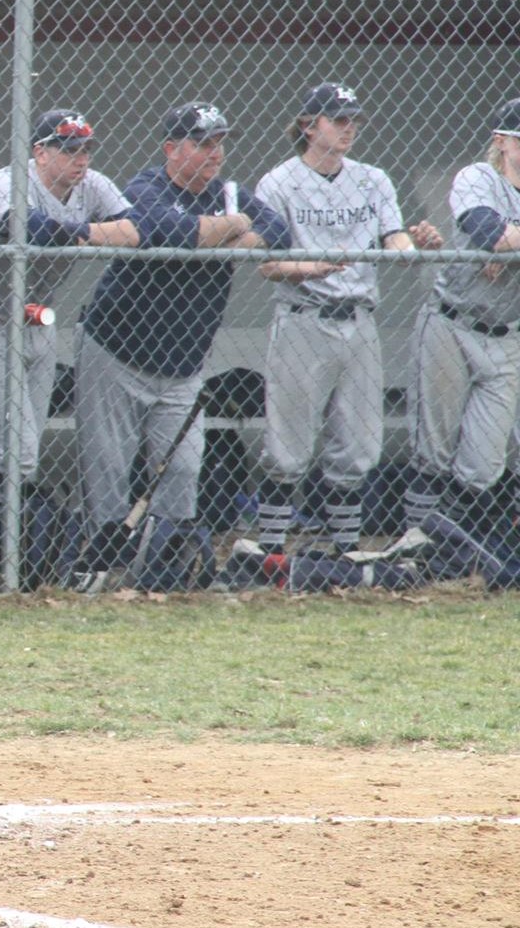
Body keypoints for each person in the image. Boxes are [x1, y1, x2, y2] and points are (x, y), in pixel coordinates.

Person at [74, 103, 290, 591]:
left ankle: (161, 575)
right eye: (202, 142)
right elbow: (170, 230)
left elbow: (277, 230)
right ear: (173, 149)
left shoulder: (231, 192)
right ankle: (100, 577)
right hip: (116, 352)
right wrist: (231, 227)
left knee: (184, 469)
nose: (215, 152)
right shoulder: (146, 186)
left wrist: (224, 234)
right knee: (108, 470)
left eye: (219, 142)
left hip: (183, 365)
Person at [239, 83, 441, 564]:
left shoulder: (372, 179)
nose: (349, 128)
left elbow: (394, 239)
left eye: (353, 119)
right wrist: (310, 268)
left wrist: (419, 248)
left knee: (356, 446)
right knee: (287, 447)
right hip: (303, 317)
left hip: (357, 319)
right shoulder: (279, 181)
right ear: (310, 126)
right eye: (338, 119)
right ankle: (271, 550)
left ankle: (346, 551)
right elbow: (267, 265)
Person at [0, 110, 142, 588]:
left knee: (16, 452)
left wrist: (79, 232)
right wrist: (87, 233)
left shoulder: (93, 185)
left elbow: (135, 232)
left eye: (85, 149)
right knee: (19, 452)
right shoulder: (9, 178)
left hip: (38, 323)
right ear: (40, 152)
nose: (81, 158)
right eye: (68, 148)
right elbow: (22, 224)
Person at [377, 99, 520, 561]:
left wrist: (509, 245)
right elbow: (488, 233)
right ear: (501, 142)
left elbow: (506, 243)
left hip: (506, 334)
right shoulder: (478, 177)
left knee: (483, 465)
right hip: (451, 322)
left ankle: (452, 551)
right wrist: (504, 245)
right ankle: (413, 552)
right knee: (433, 452)